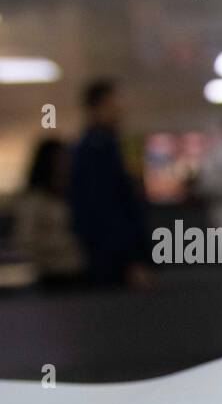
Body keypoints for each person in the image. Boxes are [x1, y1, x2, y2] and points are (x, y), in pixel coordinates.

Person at [68, 79, 151, 288]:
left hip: (114, 254)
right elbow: (105, 208)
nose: (120, 109)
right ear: (97, 107)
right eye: (114, 104)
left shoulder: (108, 145)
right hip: (112, 257)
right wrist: (131, 259)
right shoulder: (95, 150)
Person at [12, 138, 84, 285]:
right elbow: (26, 240)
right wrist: (63, 245)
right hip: (52, 276)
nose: (66, 166)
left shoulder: (68, 196)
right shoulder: (34, 201)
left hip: (75, 272)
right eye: (61, 160)